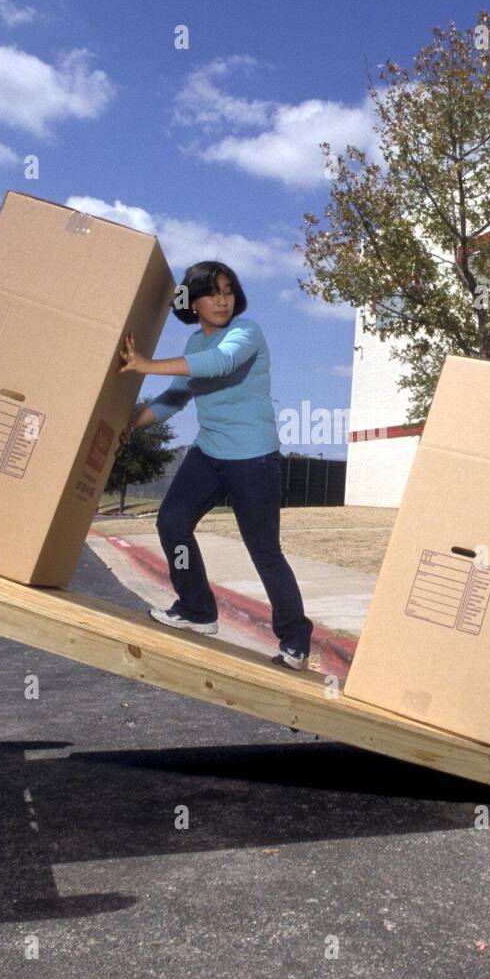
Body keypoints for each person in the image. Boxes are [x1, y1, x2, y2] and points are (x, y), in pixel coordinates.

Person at [117, 260, 313, 671]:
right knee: (171, 522)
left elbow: (220, 364)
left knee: (265, 552)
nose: (222, 299)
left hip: (253, 459)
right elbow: (174, 397)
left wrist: (146, 364)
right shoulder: (193, 346)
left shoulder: (246, 333)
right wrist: (132, 424)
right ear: (193, 302)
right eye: (210, 292)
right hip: (208, 454)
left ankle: (295, 641)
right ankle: (197, 609)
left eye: (228, 289)